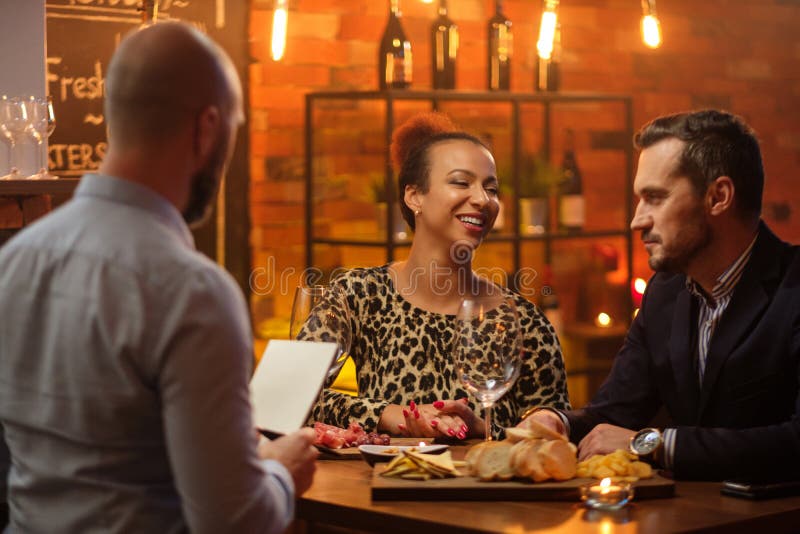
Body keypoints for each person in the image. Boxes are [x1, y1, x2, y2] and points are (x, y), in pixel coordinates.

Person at [0, 22, 317, 533]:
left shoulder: (15, 261)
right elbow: (235, 522)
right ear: (207, 128)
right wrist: (282, 470)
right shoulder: (193, 291)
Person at [520, 109, 800, 481]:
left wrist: (653, 444)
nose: (637, 219)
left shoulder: (793, 287)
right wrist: (554, 422)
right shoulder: (664, 292)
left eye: (655, 197)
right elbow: (614, 414)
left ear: (719, 196)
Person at [299, 112, 570, 440]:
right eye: (461, 182)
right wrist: (390, 414)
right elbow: (290, 398)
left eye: (491, 188)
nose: (483, 199)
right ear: (414, 196)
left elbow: (555, 438)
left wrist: (483, 431)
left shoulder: (525, 322)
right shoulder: (357, 294)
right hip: (383, 488)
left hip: (489, 491)